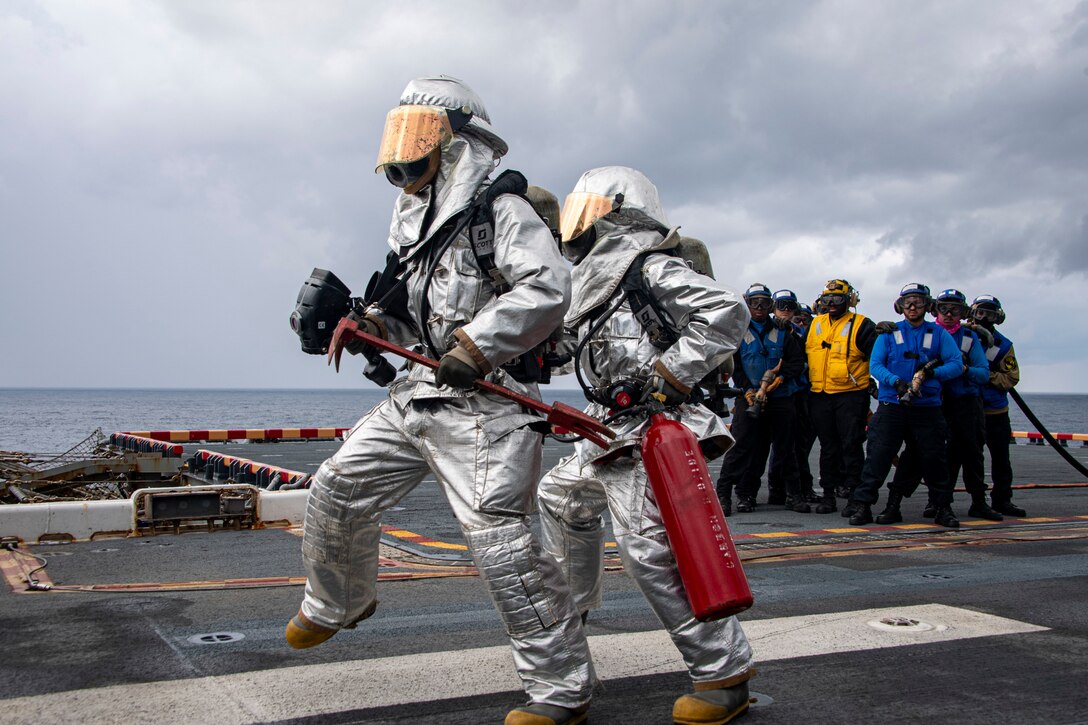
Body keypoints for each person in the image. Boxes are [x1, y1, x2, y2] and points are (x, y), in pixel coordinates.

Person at [285, 76, 595, 725]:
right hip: (419, 393)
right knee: (337, 487)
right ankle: (338, 600)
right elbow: (412, 321)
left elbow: (548, 285)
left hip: (488, 403)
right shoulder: (414, 224)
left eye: (417, 140)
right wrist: (371, 326)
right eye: (397, 141)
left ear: (457, 143)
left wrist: (478, 345)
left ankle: (561, 688)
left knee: (503, 548)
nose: (402, 160)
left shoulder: (499, 210)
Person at [536, 166, 756, 725]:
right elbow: (569, 347)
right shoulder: (594, 277)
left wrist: (670, 373)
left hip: (652, 425)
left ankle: (722, 673)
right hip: (609, 425)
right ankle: (575, 611)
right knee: (562, 499)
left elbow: (727, 314)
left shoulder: (649, 266)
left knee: (650, 554)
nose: (576, 221)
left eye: (588, 208)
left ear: (620, 208)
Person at [847, 283, 965, 527]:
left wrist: (931, 375)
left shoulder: (939, 334)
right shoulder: (888, 334)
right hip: (892, 405)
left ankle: (942, 507)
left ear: (927, 305)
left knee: (934, 460)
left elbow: (955, 364)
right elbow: (876, 365)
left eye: (918, 302)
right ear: (900, 306)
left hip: (927, 407)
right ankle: (863, 506)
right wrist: (896, 382)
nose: (912, 307)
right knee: (878, 457)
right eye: (907, 302)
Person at [881, 289, 1001, 522]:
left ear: (963, 312)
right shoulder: (927, 334)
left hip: (965, 404)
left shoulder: (968, 337)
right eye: (943, 308)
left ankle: (978, 502)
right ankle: (913, 502)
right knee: (918, 454)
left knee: (971, 453)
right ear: (934, 309)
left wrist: (962, 369)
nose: (948, 314)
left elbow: (983, 374)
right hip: (931, 404)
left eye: (955, 309)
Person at [805, 279, 878, 515]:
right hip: (820, 394)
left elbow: (876, 357)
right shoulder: (815, 324)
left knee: (852, 446)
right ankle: (828, 496)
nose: (832, 304)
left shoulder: (862, 325)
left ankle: (855, 498)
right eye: (827, 299)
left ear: (850, 300)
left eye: (837, 299)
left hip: (851, 395)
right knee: (828, 448)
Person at [970, 294, 1026, 517]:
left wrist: (985, 374)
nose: (984, 318)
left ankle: (1002, 499)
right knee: (962, 458)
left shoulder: (1003, 345)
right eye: (981, 312)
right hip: (967, 410)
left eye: (990, 314)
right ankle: (940, 501)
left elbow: (1010, 378)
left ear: (998, 317)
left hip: (995, 411)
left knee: (1001, 458)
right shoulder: (963, 336)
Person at [767, 290, 821, 507]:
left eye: (791, 306)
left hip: (800, 394)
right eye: (782, 305)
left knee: (799, 445)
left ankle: (799, 489)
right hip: (776, 393)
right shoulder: (766, 331)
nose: (787, 310)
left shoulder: (801, 334)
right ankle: (776, 490)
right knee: (776, 446)